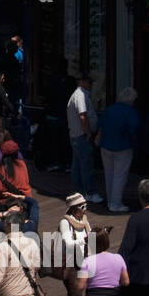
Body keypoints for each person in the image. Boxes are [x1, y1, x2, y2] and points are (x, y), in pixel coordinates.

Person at [98, 88, 140, 212]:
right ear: (131, 100)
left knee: (109, 174)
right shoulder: (131, 112)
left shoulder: (109, 109)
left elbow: (100, 124)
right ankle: (115, 204)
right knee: (119, 176)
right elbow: (134, 129)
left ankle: (111, 201)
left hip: (106, 145)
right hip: (123, 146)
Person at [58, 192, 93, 296]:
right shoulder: (65, 222)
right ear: (74, 208)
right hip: (70, 263)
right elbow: (68, 242)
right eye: (82, 207)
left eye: (86, 206)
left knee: (73, 294)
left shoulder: (84, 221)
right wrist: (84, 240)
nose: (85, 210)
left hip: (83, 261)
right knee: (77, 295)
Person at [67, 73, 104, 204]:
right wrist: (88, 132)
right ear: (82, 82)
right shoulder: (80, 96)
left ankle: (79, 192)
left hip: (77, 136)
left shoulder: (80, 95)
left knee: (77, 165)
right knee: (86, 165)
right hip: (81, 136)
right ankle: (89, 192)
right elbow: (82, 116)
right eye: (89, 82)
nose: (90, 85)